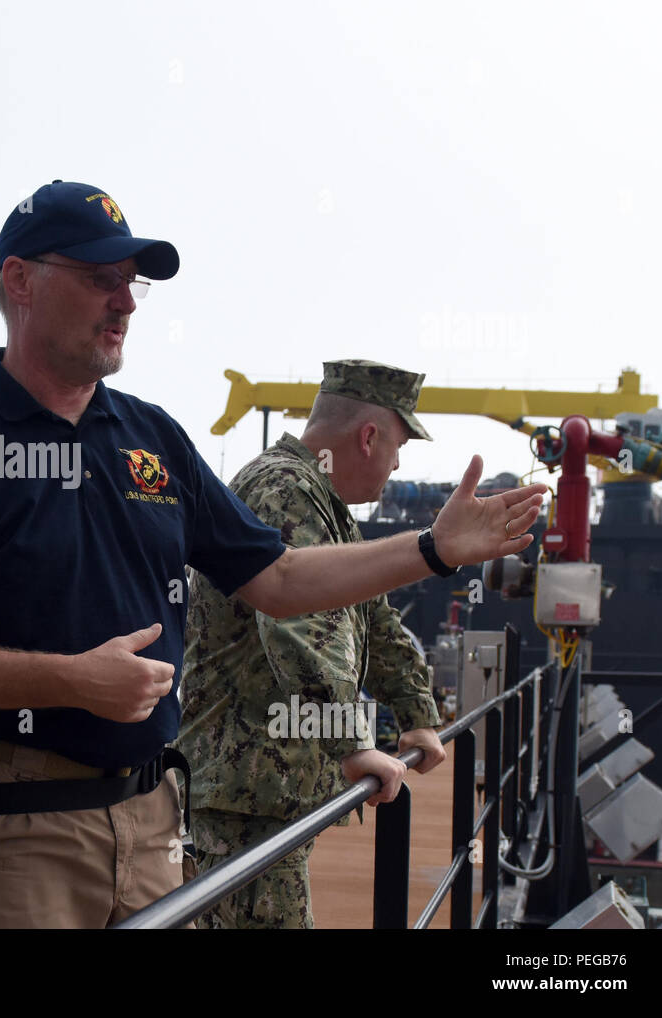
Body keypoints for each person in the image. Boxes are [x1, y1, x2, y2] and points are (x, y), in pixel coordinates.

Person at [0, 180, 546, 928]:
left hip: (155, 822)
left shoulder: (152, 438)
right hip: (18, 827)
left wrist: (432, 550)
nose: (123, 302)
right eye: (99, 279)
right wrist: (70, 682)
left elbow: (279, 578)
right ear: (19, 281)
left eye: (131, 284)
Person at [178, 359, 449, 929]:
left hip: (269, 790)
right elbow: (299, 626)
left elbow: (376, 618)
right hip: (244, 794)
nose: (397, 464)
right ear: (369, 437)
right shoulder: (284, 489)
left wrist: (416, 713)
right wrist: (352, 743)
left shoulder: (326, 505)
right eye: (399, 447)